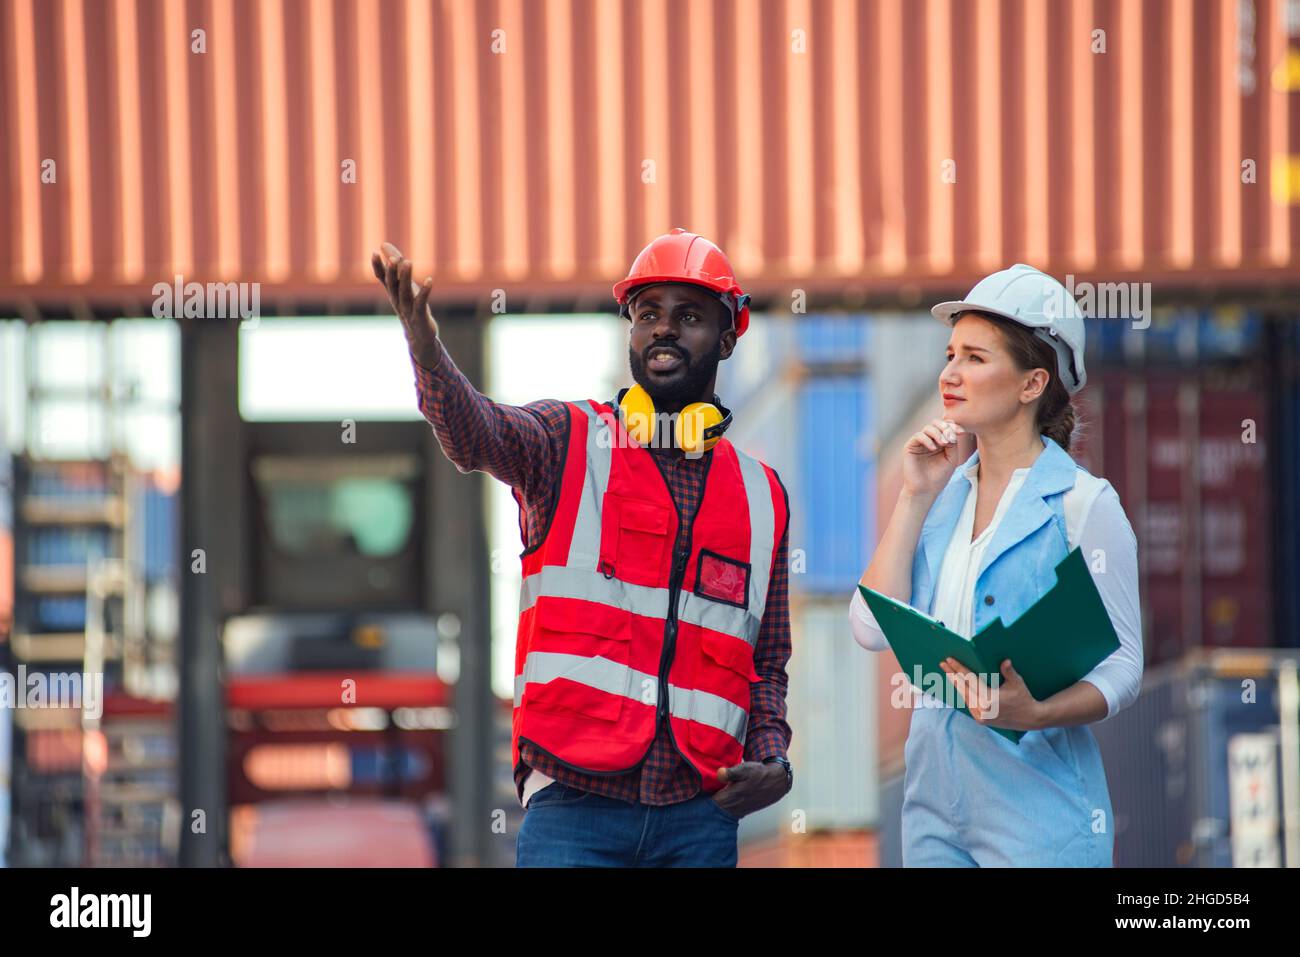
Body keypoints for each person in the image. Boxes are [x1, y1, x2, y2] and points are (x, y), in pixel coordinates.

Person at [372, 228, 794, 867]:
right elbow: (475, 432)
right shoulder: (564, 444)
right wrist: (427, 352)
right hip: (574, 807)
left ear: (730, 336)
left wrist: (773, 760)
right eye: (647, 313)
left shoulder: (762, 497)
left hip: (699, 816)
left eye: (689, 316)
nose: (664, 331)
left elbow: (766, 662)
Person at [849, 263, 1143, 867]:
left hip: (1042, 812)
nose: (949, 374)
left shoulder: (1083, 505)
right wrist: (912, 496)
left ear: (1033, 383)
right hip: (933, 805)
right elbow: (869, 628)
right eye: (950, 353)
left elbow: (1125, 666)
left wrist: (1036, 712)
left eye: (975, 358)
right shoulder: (939, 500)